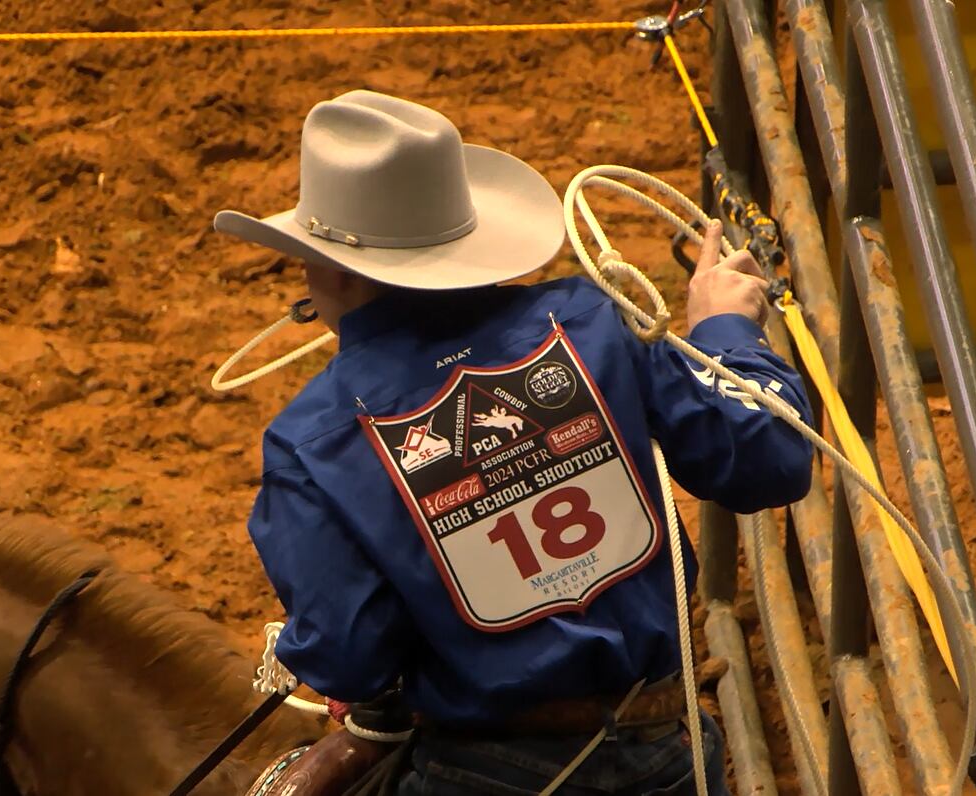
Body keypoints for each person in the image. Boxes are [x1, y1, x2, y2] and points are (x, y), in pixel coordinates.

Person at [214, 90, 813, 795]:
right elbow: (770, 456)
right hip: (665, 752)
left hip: (482, 772)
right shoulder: (589, 321)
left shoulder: (314, 439)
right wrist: (722, 329)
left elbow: (351, 659)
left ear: (334, 269)